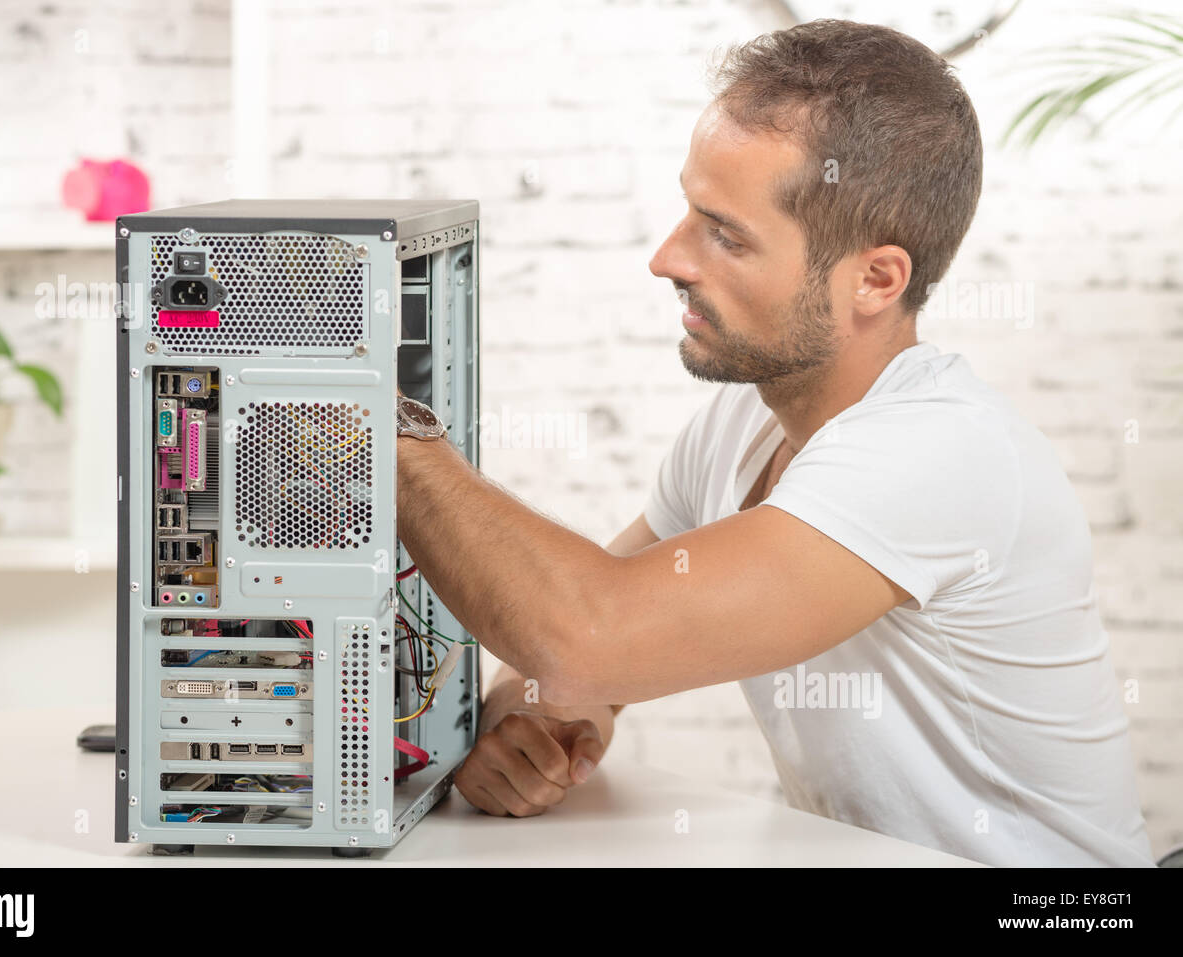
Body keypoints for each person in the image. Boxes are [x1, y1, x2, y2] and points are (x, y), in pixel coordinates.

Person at [393, 19, 1154, 867]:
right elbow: (570, 673)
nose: (667, 258)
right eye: (689, 210)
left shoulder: (938, 451)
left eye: (727, 234)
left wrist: (378, 420)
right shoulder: (739, 427)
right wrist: (529, 727)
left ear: (875, 279)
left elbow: (582, 637)